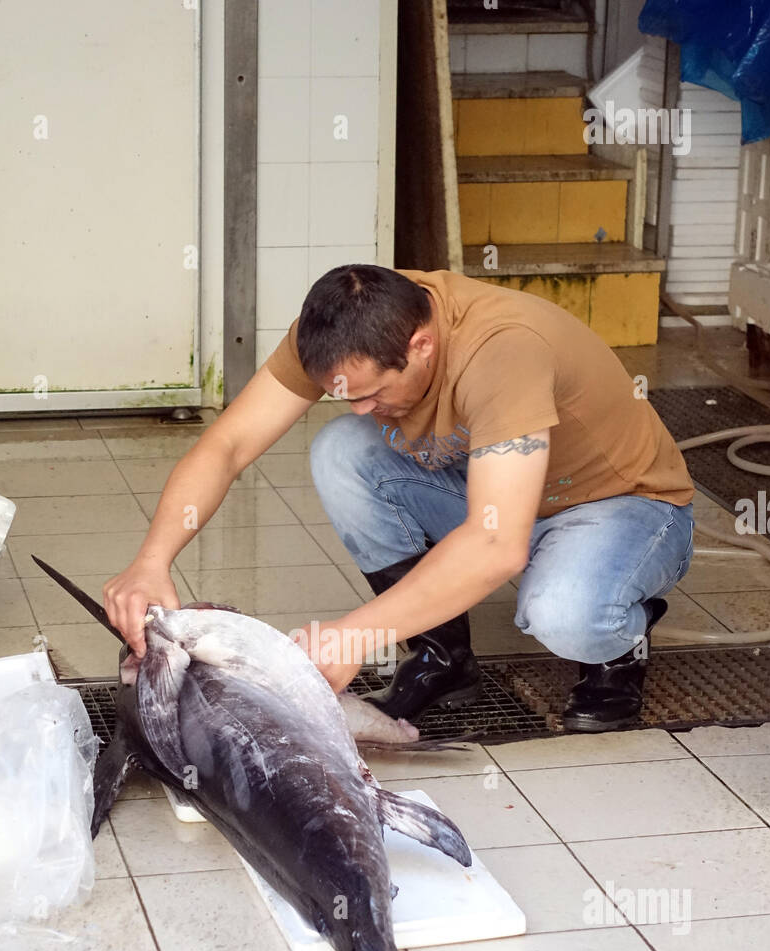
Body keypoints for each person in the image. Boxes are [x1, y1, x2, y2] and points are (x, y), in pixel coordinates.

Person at [103, 264, 695, 733]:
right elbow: (229, 444)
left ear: (422, 345)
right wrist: (152, 560)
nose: (362, 408)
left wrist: (354, 635)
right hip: (504, 495)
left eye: (374, 393)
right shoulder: (343, 332)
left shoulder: (503, 351)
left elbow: (496, 543)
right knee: (342, 449)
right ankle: (445, 658)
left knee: (562, 615)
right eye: (345, 394)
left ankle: (621, 641)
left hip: (622, 507)